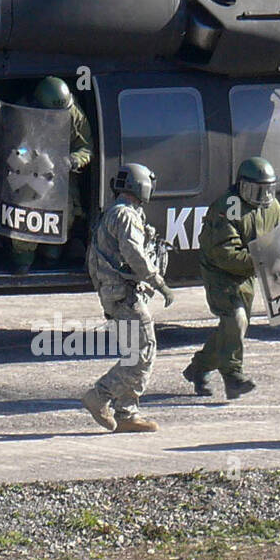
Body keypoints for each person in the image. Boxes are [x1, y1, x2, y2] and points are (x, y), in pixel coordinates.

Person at [82, 162, 175, 433]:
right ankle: (99, 396)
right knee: (144, 352)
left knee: (134, 352)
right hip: (125, 296)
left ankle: (127, 413)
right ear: (142, 186)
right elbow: (135, 254)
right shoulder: (125, 216)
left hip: (117, 294)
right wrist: (160, 284)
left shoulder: (116, 213)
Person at [183, 157, 280, 400]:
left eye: (267, 190)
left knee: (233, 328)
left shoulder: (272, 207)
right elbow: (225, 255)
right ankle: (233, 376)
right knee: (236, 320)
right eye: (255, 191)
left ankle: (198, 368)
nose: (262, 197)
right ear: (241, 186)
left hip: (248, 273)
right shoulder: (227, 207)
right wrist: (261, 263)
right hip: (220, 273)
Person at [11, 76, 94, 273]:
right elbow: (8, 145)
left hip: (61, 173)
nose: (57, 119)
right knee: (24, 217)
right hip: (29, 172)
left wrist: (73, 160)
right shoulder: (20, 114)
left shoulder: (74, 114)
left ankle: (52, 254)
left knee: (66, 215)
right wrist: (27, 160)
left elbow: (86, 147)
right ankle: (23, 260)